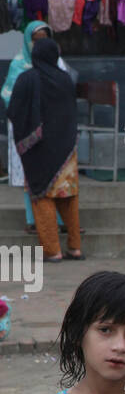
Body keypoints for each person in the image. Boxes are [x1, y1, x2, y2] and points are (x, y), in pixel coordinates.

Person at [7, 37, 84, 263]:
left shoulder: (27, 79)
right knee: (68, 197)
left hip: (38, 150)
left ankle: (52, 251)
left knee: (42, 197)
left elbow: (14, 111)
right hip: (66, 150)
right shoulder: (65, 79)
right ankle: (75, 248)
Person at [1, 20, 66, 235]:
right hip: (26, 129)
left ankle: (59, 221)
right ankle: (33, 220)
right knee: (31, 175)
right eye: (35, 41)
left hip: (52, 127)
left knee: (56, 174)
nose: (39, 46)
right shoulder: (19, 65)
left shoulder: (58, 64)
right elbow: (10, 97)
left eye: (44, 41)